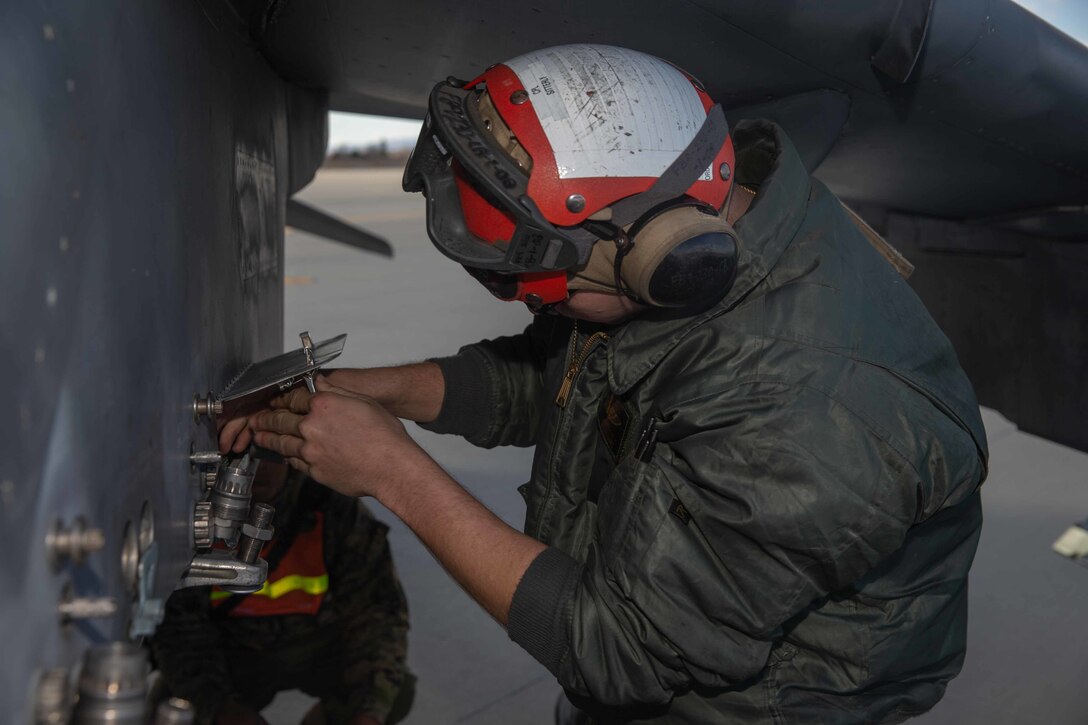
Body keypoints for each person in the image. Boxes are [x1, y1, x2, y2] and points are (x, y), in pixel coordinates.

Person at [221, 44, 988, 723]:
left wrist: (395, 472)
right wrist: (371, 391)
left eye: (531, 283)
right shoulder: (685, 248)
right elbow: (552, 380)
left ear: (661, 256)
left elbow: (623, 649)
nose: (524, 300)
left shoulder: (810, 414)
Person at [152, 463, 414, 725]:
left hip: (316, 644)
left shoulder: (332, 507)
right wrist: (220, 708)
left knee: (389, 691)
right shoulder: (195, 513)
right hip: (233, 648)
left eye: (270, 453)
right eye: (244, 454)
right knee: (175, 710)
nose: (256, 467)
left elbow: (377, 613)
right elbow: (179, 626)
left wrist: (368, 714)